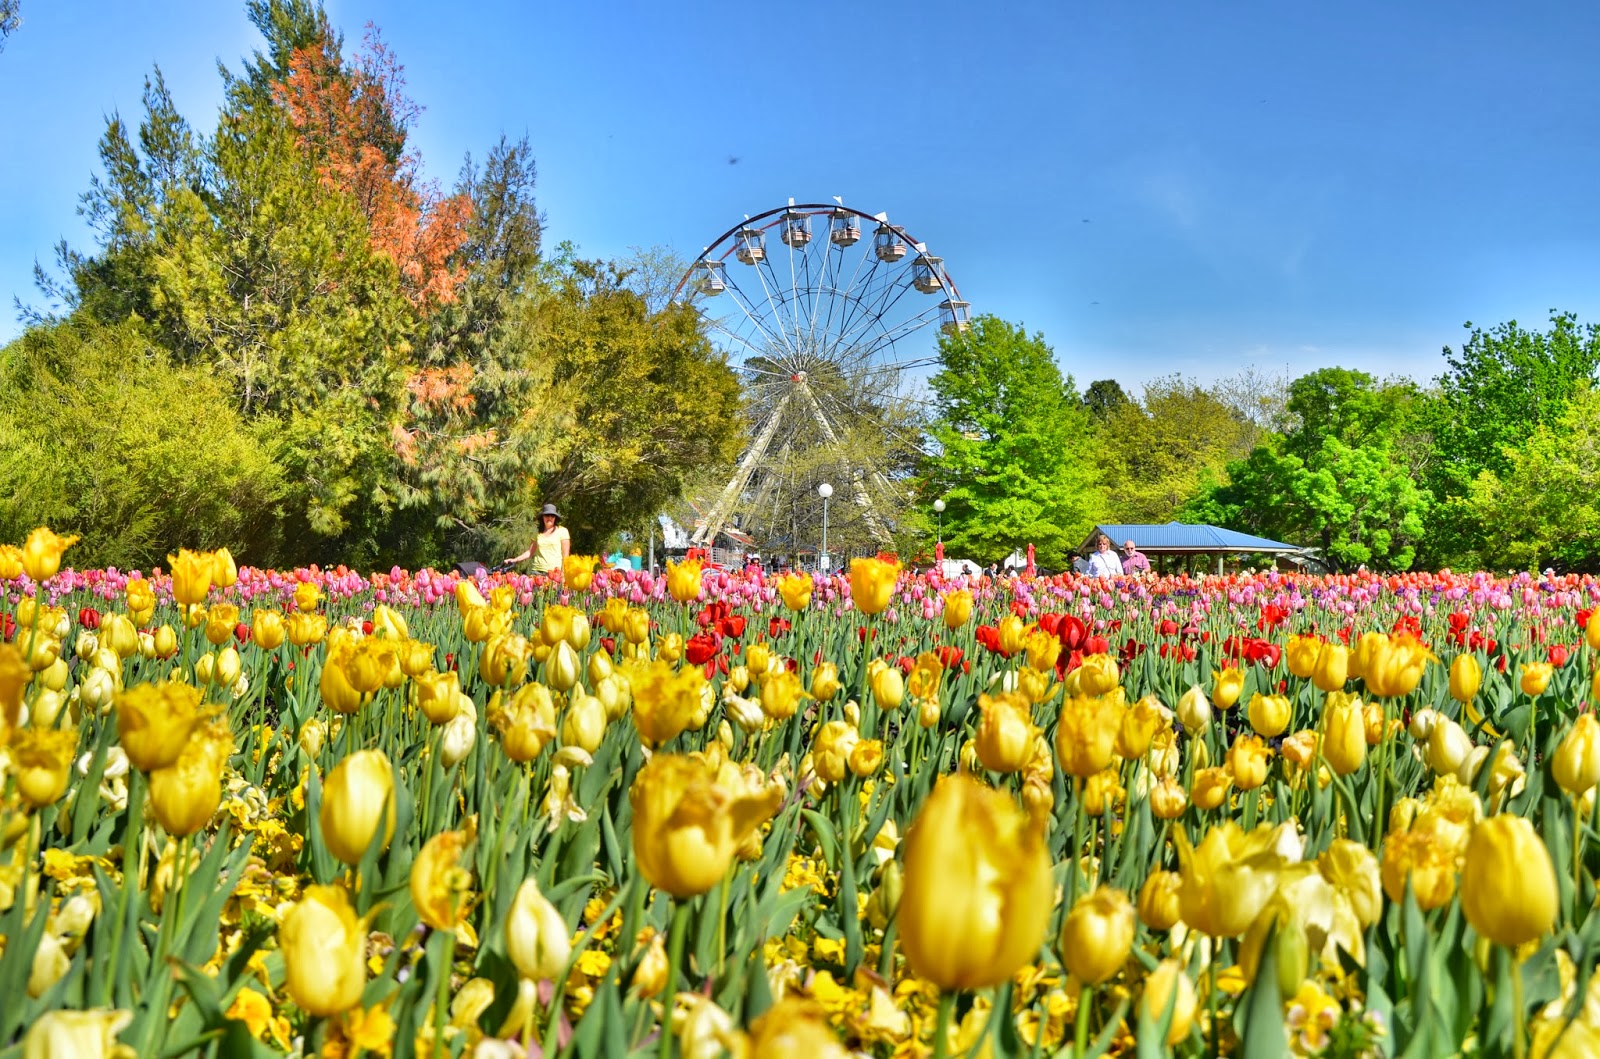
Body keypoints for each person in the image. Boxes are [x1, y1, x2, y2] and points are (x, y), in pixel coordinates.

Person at [505, 503, 570, 574]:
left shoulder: (563, 531)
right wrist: (515, 560)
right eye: (547, 515)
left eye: (552, 516)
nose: (549, 518)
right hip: (536, 572)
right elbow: (530, 552)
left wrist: (563, 574)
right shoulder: (537, 532)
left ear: (555, 518)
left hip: (555, 573)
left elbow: (565, 555)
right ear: (543, 517)